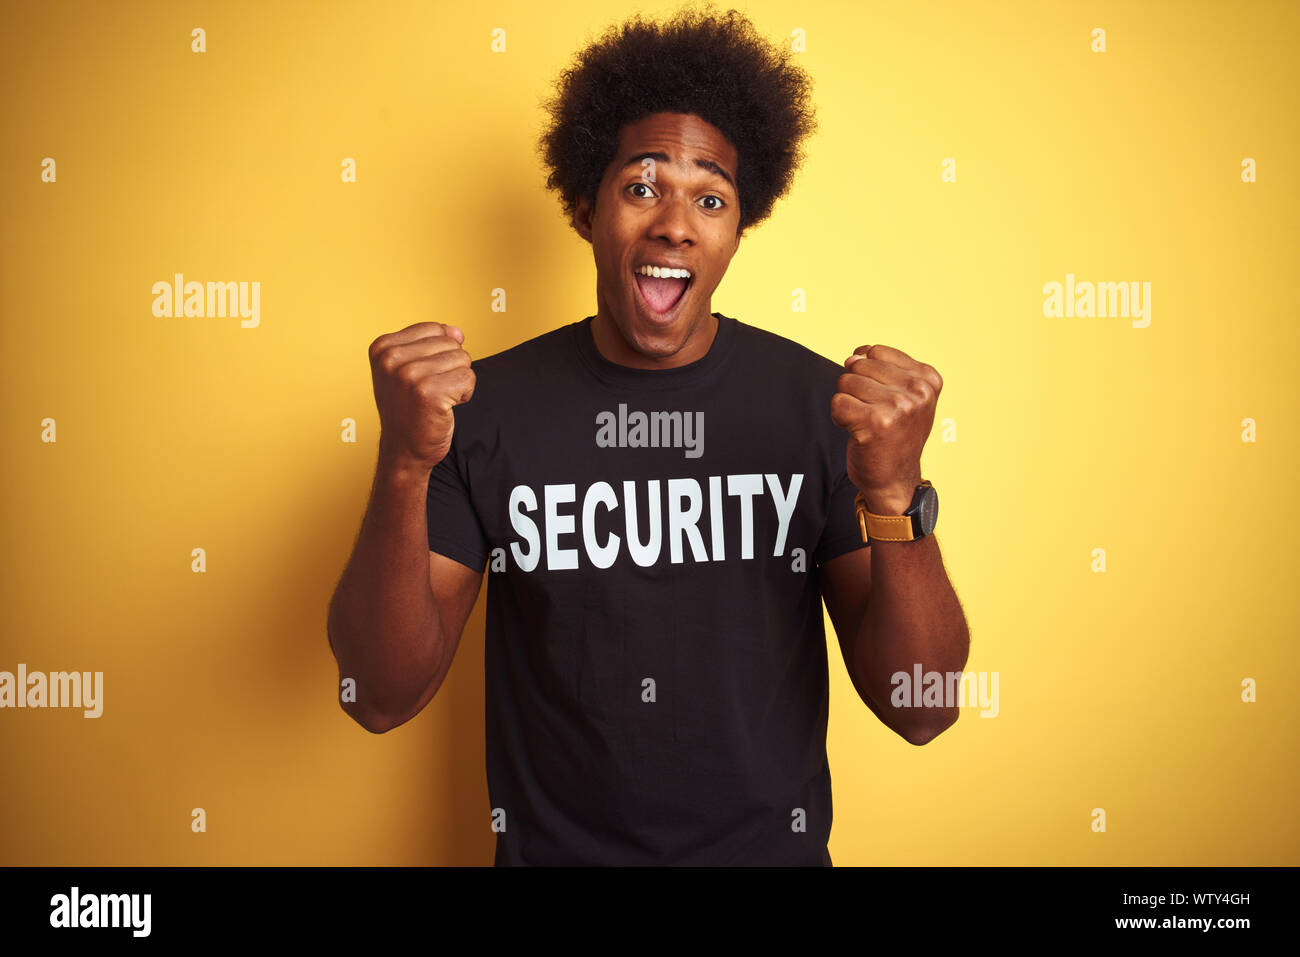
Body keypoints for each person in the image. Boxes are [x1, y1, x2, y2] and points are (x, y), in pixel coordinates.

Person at [327, 3, 970, 866]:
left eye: (711, 197)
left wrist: (894, 492)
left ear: (737, 232)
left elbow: (922, 708)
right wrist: (405, 461)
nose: (675, 222)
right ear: (585, 209)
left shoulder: (823, 410)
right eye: (641, 186)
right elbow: (376, 695)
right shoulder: (475, 411)